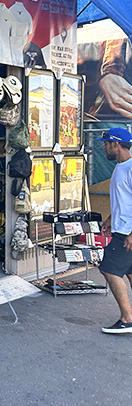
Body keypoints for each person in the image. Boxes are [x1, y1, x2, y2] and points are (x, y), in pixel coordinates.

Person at [97, 128, 132, 333]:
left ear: (116, 144)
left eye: (106, 143)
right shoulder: (120, 167)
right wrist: (110, 218)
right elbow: (124, 201)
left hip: (127, 232)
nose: (104, 147)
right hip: (122, 227)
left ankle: (127, 319)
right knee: (129, 271)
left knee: (108, 269)